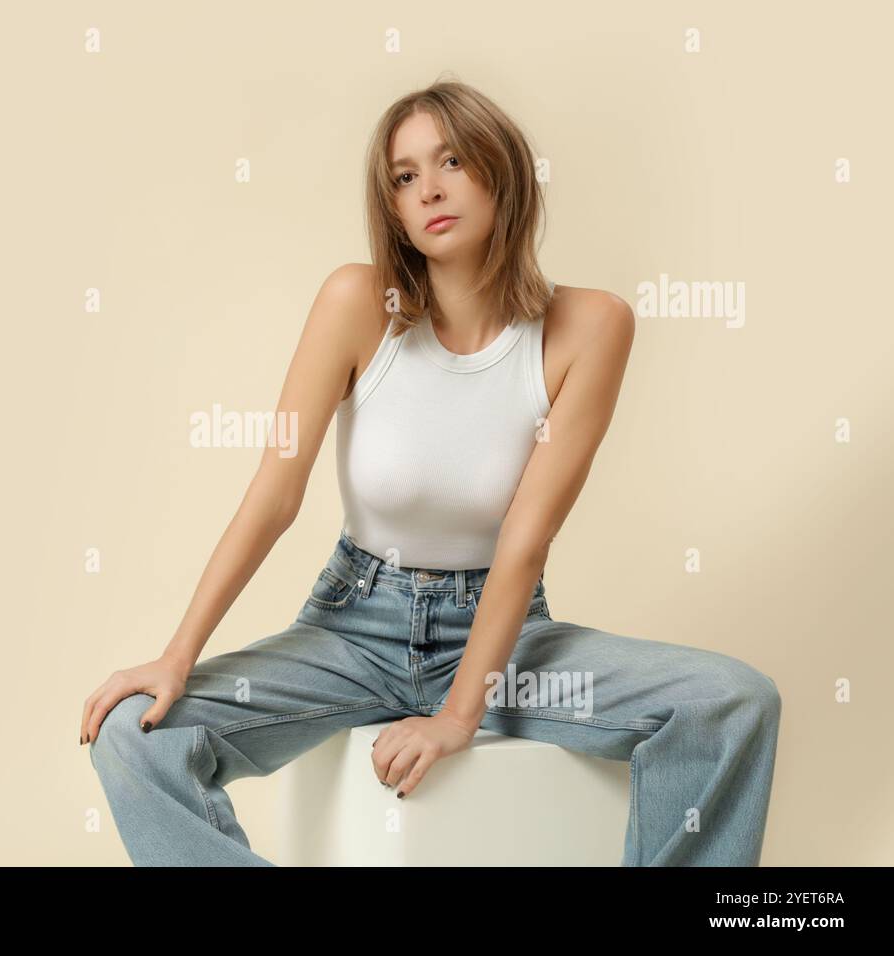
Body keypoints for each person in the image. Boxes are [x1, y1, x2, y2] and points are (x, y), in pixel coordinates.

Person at [80, 78, 781, 866]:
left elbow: (525, 538)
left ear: (501, 170)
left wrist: (458, 714)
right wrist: (177, 656)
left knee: (731, 701)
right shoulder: (356, 302)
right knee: (130, 735)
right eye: (405, 177)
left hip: (505, 644)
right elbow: (275, 496)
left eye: (451, 160)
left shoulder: (591, 325)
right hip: (353, 631)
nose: (430, 190)